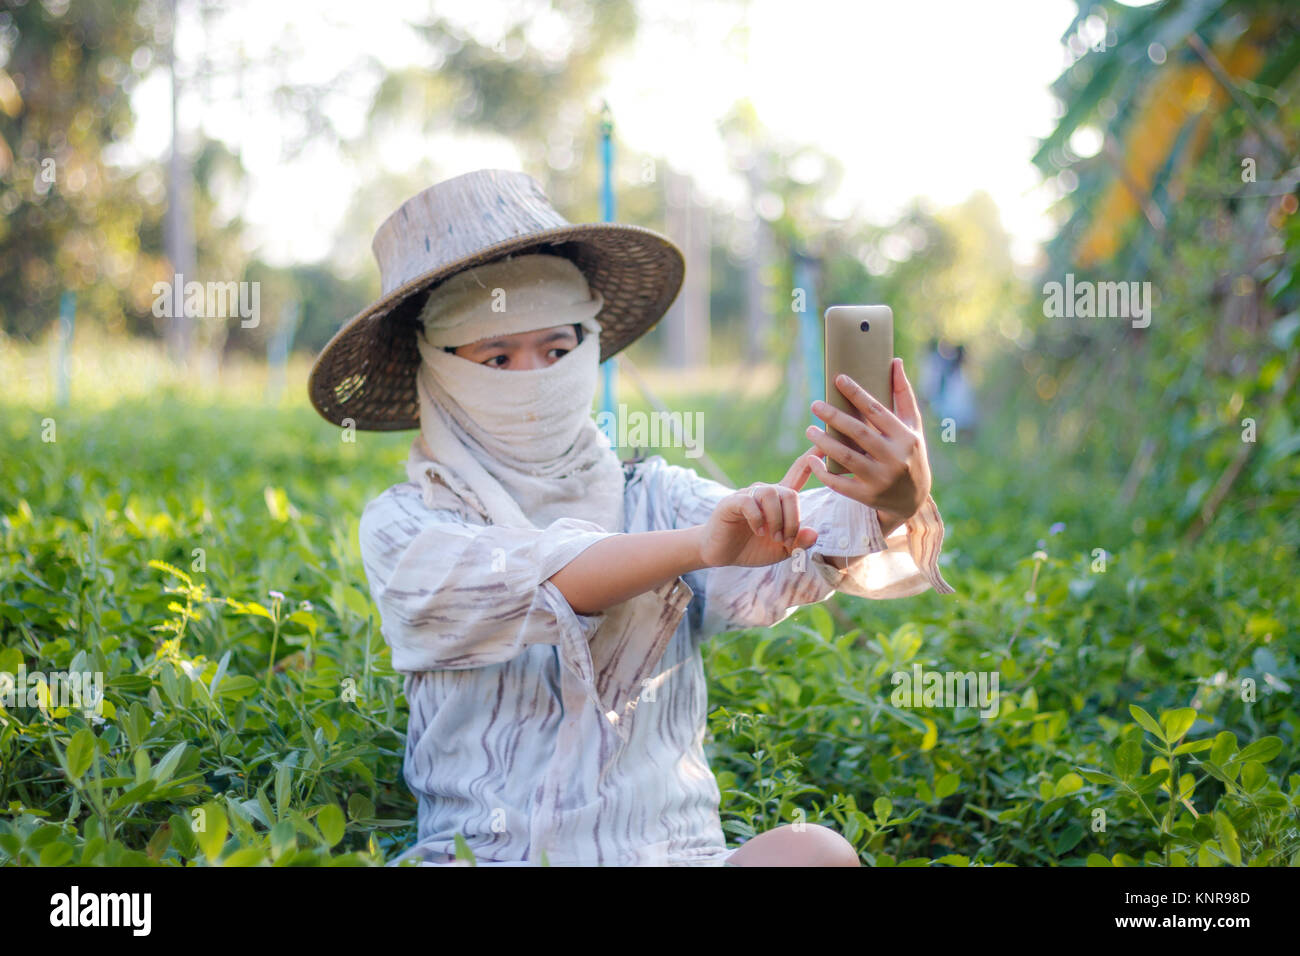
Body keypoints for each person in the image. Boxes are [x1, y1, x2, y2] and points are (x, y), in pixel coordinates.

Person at [307, 169, 955, 867]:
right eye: (498, 356)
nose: (535, 376)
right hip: (491, 859)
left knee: (814, 852)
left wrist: (894, 494)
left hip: (670, 855)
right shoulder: (409, 526)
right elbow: (548, 579)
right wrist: (700, 546)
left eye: (556, 349)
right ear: (440, 368)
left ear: (588, 347)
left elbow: (812, 543)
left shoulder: (656, 496)